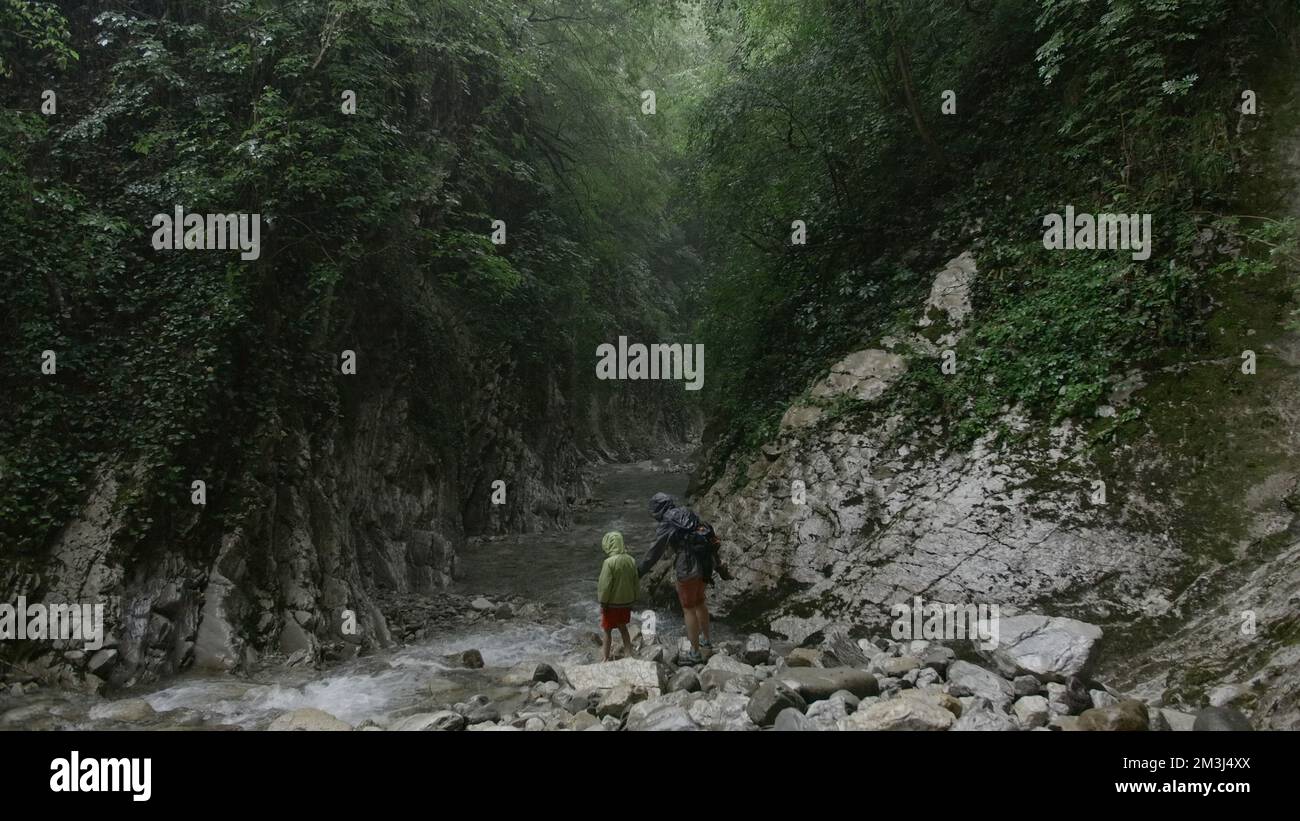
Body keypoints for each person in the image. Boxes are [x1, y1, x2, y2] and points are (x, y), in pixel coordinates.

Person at [637, 492, 722, 665]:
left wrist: (638, 572)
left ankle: (695, 653)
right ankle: (706, 640)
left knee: (688, 608)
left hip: (688, 566)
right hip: (705, 562)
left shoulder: (667, 522)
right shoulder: (686, 512)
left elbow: (654, 553)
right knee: (700, 602)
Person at [597, 531, 638, 662]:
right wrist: (634, 598)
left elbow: (605, 585)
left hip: (612, 604)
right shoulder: (631, 560)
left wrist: (603, 602)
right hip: (627, 602)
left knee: (607, 630)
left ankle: (605, 657)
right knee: (623, 628)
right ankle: (628, 653)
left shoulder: (609, 563)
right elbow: (635, 582)